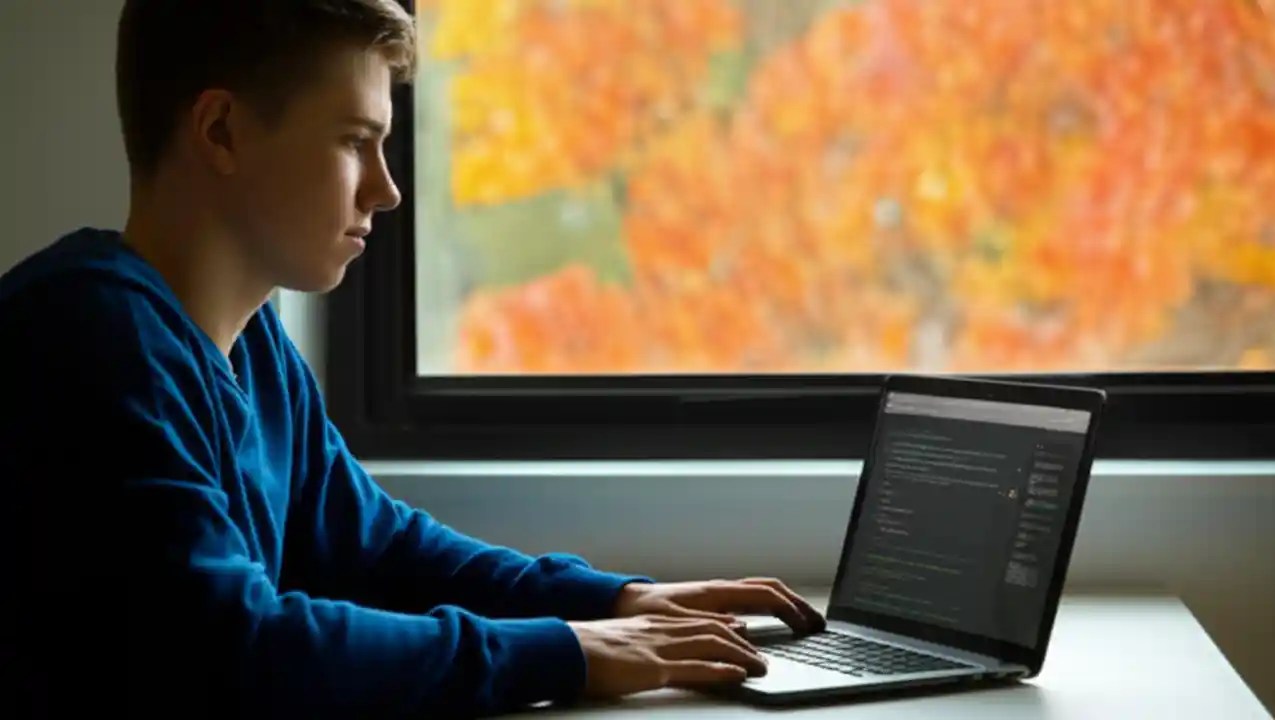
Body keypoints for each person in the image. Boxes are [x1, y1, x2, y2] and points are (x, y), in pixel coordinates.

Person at [0, 1, 825, 717]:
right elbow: (235, 652)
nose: (386, 189)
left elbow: (377, 549)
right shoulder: (91, 333)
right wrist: (565, 653)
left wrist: (610, 598)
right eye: (355, 142)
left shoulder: (248, 345)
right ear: (221, 131)